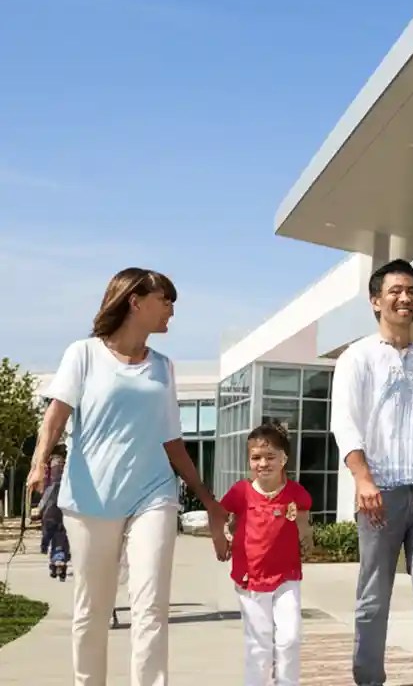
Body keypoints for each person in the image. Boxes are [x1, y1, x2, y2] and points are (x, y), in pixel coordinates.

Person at [25, 267, 230, 686]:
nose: (172, 310)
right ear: (135, 301)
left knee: (151, 606)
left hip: (152, 494)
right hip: (91, 496)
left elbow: (172, 442)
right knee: (92, 610)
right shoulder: (83, 354)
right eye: (165, 300)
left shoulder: (163, 368)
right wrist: (38, 461)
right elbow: (56, 416)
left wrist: (208, 501)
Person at [330, 258, 413, 686]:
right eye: (395, 291)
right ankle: (368, 678)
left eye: (412, 290)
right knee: (374, 595)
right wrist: (362, 478)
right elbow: (344, 422)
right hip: (381, 492)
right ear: (375, 301)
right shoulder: (357, 357)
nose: (405, 298)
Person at [220, 422, 314, 686]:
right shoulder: (240, 492)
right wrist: (223, 534)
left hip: (287, 577)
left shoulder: (295, 492)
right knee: (258, 646)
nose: (263, 463)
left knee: (290, 638)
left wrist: (305, 532)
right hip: (251, 579)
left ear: (284, 459)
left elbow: (304, 513)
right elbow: (219, 515)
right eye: (256, 457)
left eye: (270, 457)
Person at [36, 454, 70, 581]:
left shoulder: (52, 485)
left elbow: (44, 500)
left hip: (50, 515)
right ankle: (62, 558)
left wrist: (38, 510)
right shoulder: (69, 485)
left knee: (48, 535)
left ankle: (45, 549)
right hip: (64, 515)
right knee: (62, 537)